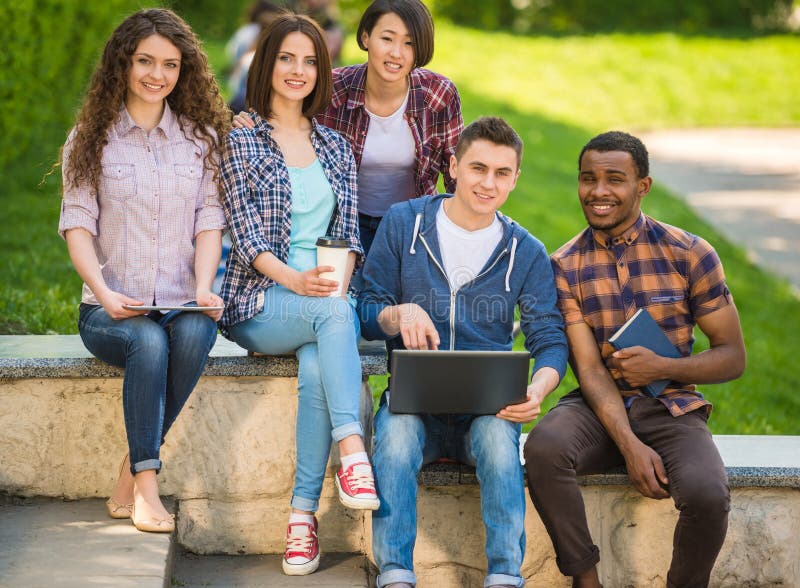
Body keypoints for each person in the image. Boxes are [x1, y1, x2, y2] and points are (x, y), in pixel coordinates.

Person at [524, 131, 746, 588]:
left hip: (671, 405)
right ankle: (586, 579)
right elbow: (587, 368)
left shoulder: (690, 253)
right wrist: (629, 445)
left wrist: (664, 368)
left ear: (642, 186)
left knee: (707, 494)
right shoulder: (563, 265)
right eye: (588, 179)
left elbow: (732, 357)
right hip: (597, 404)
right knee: (544, 448)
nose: (598, 191)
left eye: (614, 179)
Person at [357, 116, 569, 588]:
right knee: (393, 441)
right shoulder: (403, 224)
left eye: (501, 173)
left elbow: (550, 341)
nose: (487, 183)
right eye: (477, 168)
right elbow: (368, 307)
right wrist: (400, 315)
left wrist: (537, 388)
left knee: (499, 441)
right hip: (414, 404)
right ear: (453, 166)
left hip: (486, 411)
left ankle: (504, 575)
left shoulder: (526, 252)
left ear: (516, 179)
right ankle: (394, 572)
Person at [218, 13, 378, 577]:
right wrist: (297, 281)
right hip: (261, 299)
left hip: (323, 306)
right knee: (334, 317)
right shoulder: (241, 137)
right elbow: (244, 236)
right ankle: (353, 451)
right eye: (286, 57)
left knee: (320, 362)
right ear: (267, 63)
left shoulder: (335, 146)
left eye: (309, 60)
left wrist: (335, 274)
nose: (298, 70)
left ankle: (301, 521)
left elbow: (351, 234)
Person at [57, 9, 229, 533]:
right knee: (147, 344)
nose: (157, 75)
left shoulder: (201, 141)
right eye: (145, 62)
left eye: (170, 65)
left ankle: (129, 473)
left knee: (199, 329)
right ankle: (147, 491)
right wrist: (105, 292)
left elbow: (208, 222)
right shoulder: (91, 138)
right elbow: (77, 226)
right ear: (123, 64)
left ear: (185, 71)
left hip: (178, 300)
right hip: (109, 311)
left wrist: (202, 287)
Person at [234, 0, 463, 254]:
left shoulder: (438, 95)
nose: (396, 53)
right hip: (343, 227)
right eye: (387, 39)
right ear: (365, 37)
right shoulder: (332, 89)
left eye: (409, 43)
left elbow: (456, 176)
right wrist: (253, 122)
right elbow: (285, 113)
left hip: (412, 225)